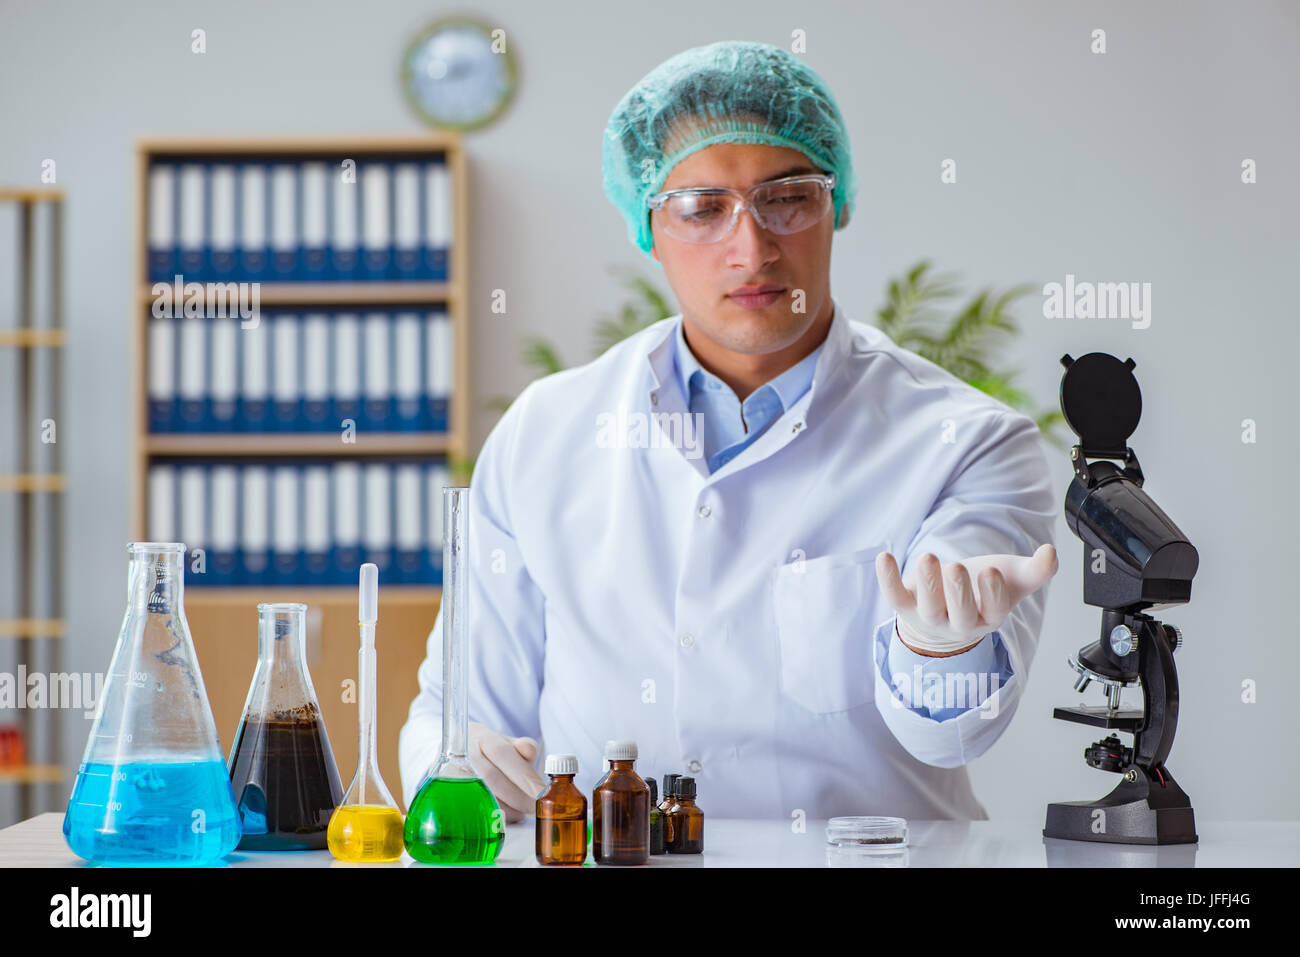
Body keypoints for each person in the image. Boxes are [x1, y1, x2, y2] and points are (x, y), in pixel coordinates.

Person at [399, 40, 1058, 822]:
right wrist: (456, 751)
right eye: (702, 208)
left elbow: (949, 736)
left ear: (836, 204)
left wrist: (939, 649)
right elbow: (457, 705)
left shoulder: (967, 441)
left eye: (788, 197)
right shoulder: (547, 431)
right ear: (648, 226)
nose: (751, 248)